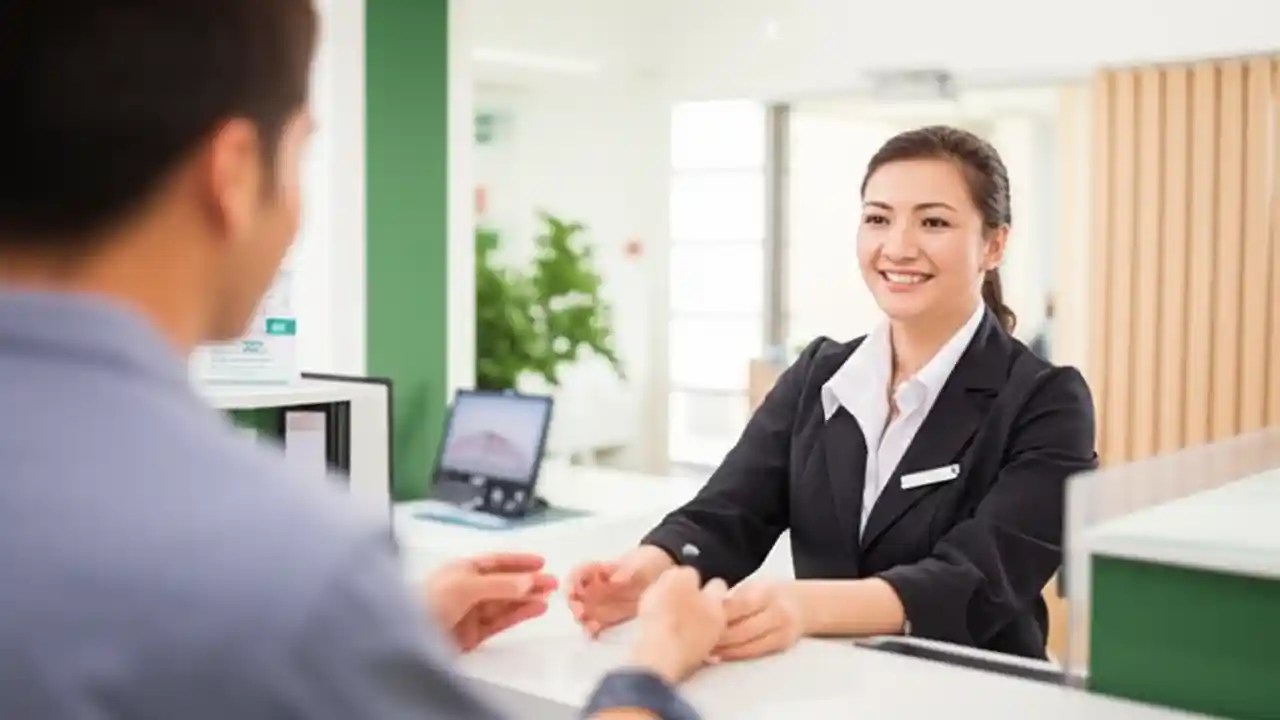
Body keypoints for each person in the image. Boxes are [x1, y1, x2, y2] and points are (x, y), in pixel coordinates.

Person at [0, 2, 724, 718]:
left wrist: (372, 647)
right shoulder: (286, 560)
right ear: (234, 172)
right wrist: (650, 673)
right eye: (300, 154)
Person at [569, 126, 1098, 661]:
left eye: (933, 222)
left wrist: (804, 607)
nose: (898, 247)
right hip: (832, 687)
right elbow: (729, 512)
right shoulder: (821, 375)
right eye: (877, 218)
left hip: (976, 693)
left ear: (994, 244)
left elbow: (980, 578)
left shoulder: (1046, 402)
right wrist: (647, 571)